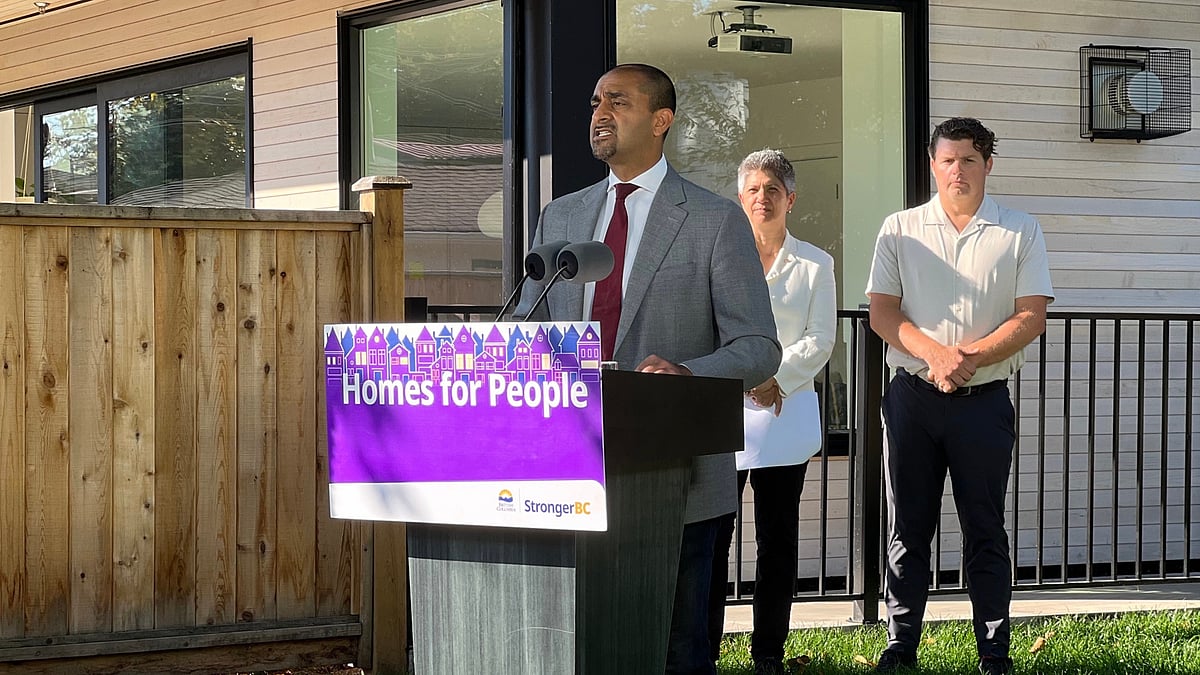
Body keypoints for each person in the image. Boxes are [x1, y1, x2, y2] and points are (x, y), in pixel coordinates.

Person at [516, 64, 781, 674]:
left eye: (618, 101)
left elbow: (759, 346)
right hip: (567, 472)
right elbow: (529, 328)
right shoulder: (561, 216)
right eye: (594, 102)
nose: (599, 114)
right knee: (582, 643)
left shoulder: (714, 219)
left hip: (676, 479)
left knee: (677, 649)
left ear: (661, 121)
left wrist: (688, 375)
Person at [865, 117, 1054, 675]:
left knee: (986, 528)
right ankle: (901, 647)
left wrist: (966, 359)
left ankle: (994, 651)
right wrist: (937, 356)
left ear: (988, 164)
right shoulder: (899, 228)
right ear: (931, 164)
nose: (957, 171)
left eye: (969, 159)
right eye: (947, 160)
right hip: (912, 400)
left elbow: (1031, 315)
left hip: (985, 402)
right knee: (908, 530)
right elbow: (882, 311)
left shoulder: (1020, 230)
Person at [706, 149, 836, 675]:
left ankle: (769, 656)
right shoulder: (716, 256)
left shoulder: (815, 264)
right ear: (741, 198)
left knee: (776, 544)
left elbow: (821, 337)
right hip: (720, 418)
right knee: (712, 543)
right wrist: (740, 375)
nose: (763, 197)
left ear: (791, 199)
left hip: (783, 418)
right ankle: (702, 651)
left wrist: (775, 377)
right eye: (754, 189)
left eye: (773, 188)